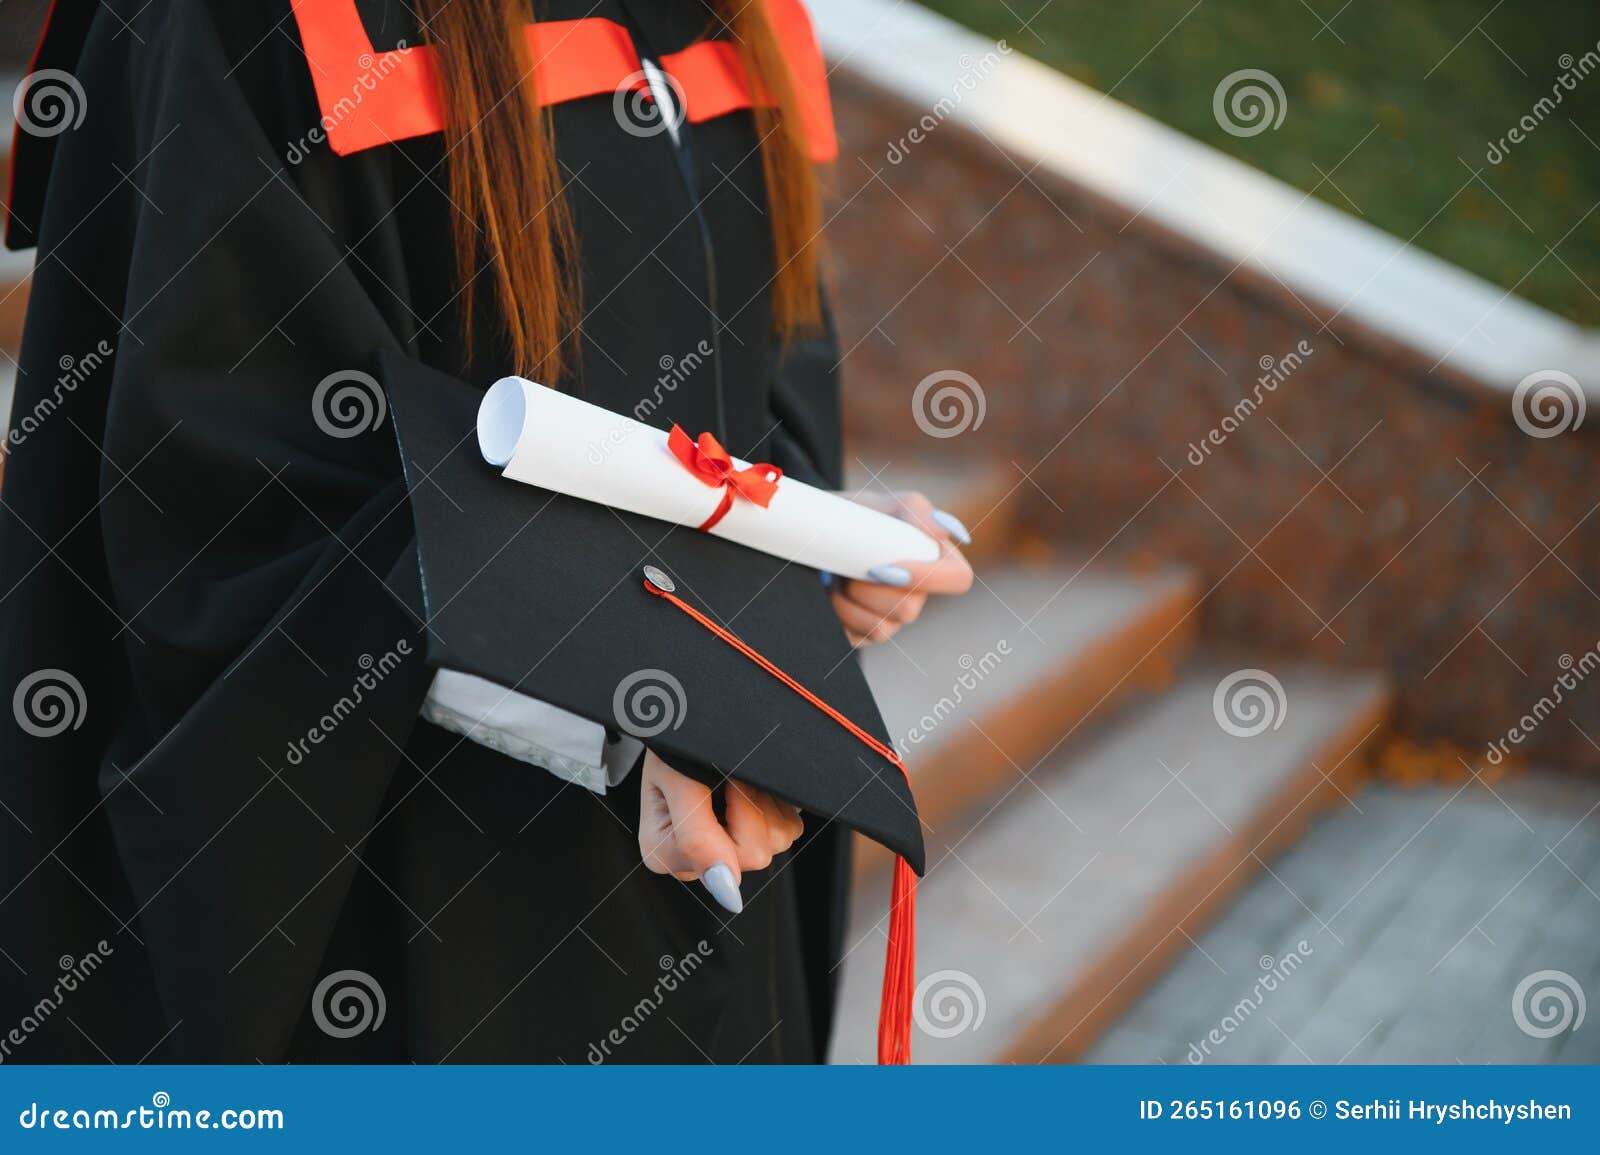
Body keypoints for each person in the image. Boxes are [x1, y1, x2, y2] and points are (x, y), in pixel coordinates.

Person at [0, 0, 970, 1063]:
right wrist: (637, 684)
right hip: (426, 896)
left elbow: (754, 376)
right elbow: (225, 501)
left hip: (718, 863)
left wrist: (808, 549)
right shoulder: (248, 24)